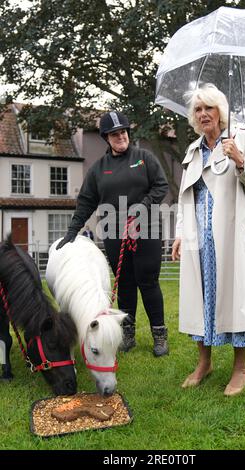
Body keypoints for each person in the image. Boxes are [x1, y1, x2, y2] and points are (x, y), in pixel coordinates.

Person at [172, 83, 245, 396]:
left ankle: (241, 369)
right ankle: (204, 363)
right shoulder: (192, 150)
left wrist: (240, 161)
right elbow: (187, 197)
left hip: (231, 238)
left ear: (220, 111)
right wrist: (179, 234)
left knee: (237, 298)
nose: (202, 115)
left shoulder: (241, 137)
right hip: (199, 240)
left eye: (208, 108)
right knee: (200, 299)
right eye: (197, 110)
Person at [56, 110, 169, 357]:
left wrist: (143, 206)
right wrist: (72, 231)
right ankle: (128, 334)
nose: (121, 137)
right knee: (125, 284)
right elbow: (86, 201)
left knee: (148, 282)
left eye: (124, 131)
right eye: (115, 134)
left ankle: (159, 335)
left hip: (146, 230)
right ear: (106, 138)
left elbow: (161, 186)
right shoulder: (98, 169)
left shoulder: (144, 158)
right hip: (114, 232)